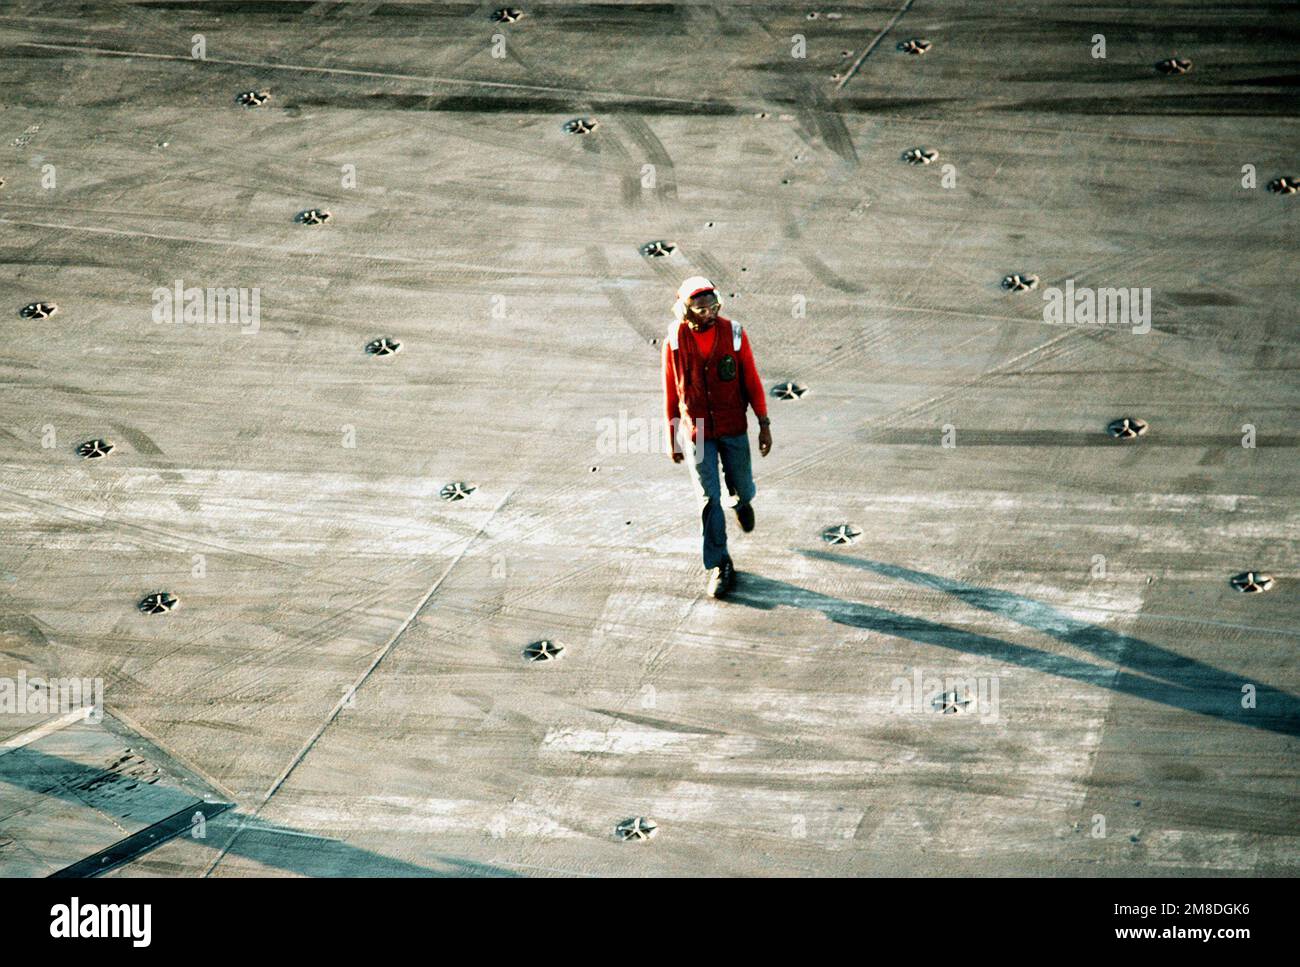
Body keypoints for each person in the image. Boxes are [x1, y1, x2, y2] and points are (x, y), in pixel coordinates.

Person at [662, 276, 772, 598]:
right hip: (697, 430)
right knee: (709, 498)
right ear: (685, 311)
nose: (708, 314)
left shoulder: (734, 334)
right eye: (700, 310)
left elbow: (751, 379)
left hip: (733, 424)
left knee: (743, 484)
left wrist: (763, 422)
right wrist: (672, 435)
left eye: (713, 308)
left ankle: (741, 500)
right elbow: (671, 390)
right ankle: (719, 564)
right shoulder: (674, 340)